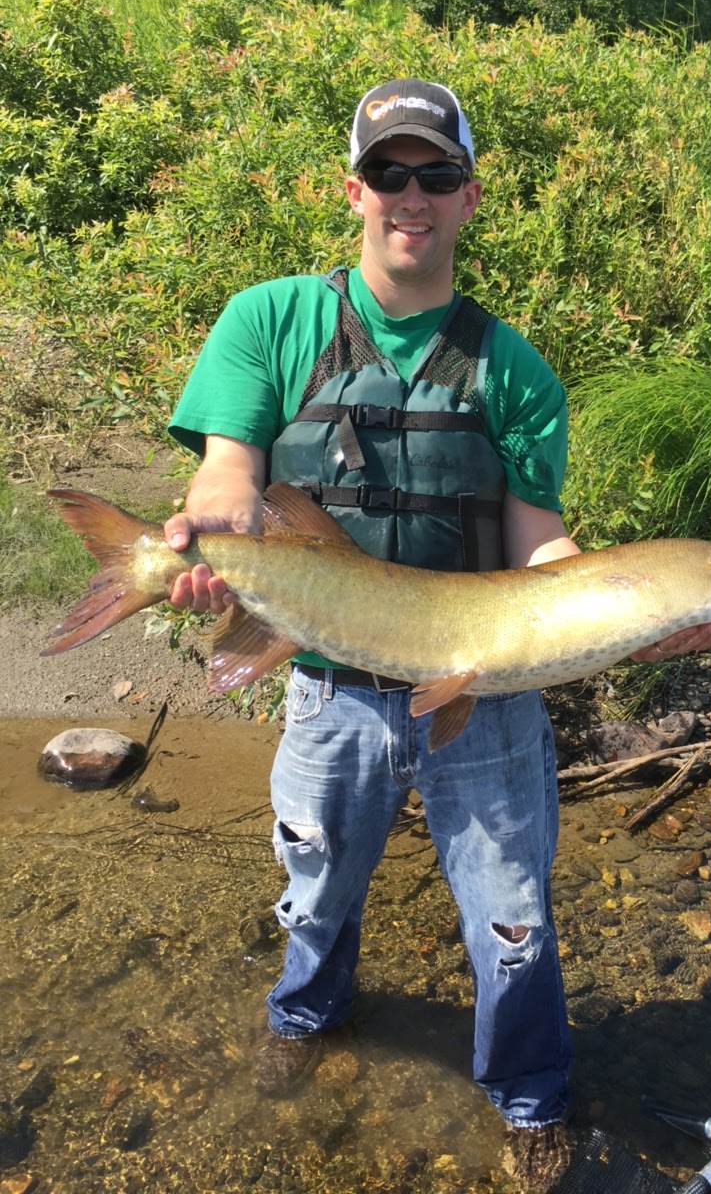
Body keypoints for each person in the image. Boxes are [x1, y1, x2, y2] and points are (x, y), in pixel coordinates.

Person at [164, 78, 580, 1191]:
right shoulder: (273, 318)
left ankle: (530, 1095)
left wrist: (609, 601)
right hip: (328, 684)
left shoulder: (516, 369)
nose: (413, 194)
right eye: (390, 172)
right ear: (353, 189)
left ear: (468, 196)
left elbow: (537, 546)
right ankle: (304, 1016)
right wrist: (211, 524)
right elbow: (231, 464)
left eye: (436, 174)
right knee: (314, 888)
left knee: (515, 919)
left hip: (481, 694)